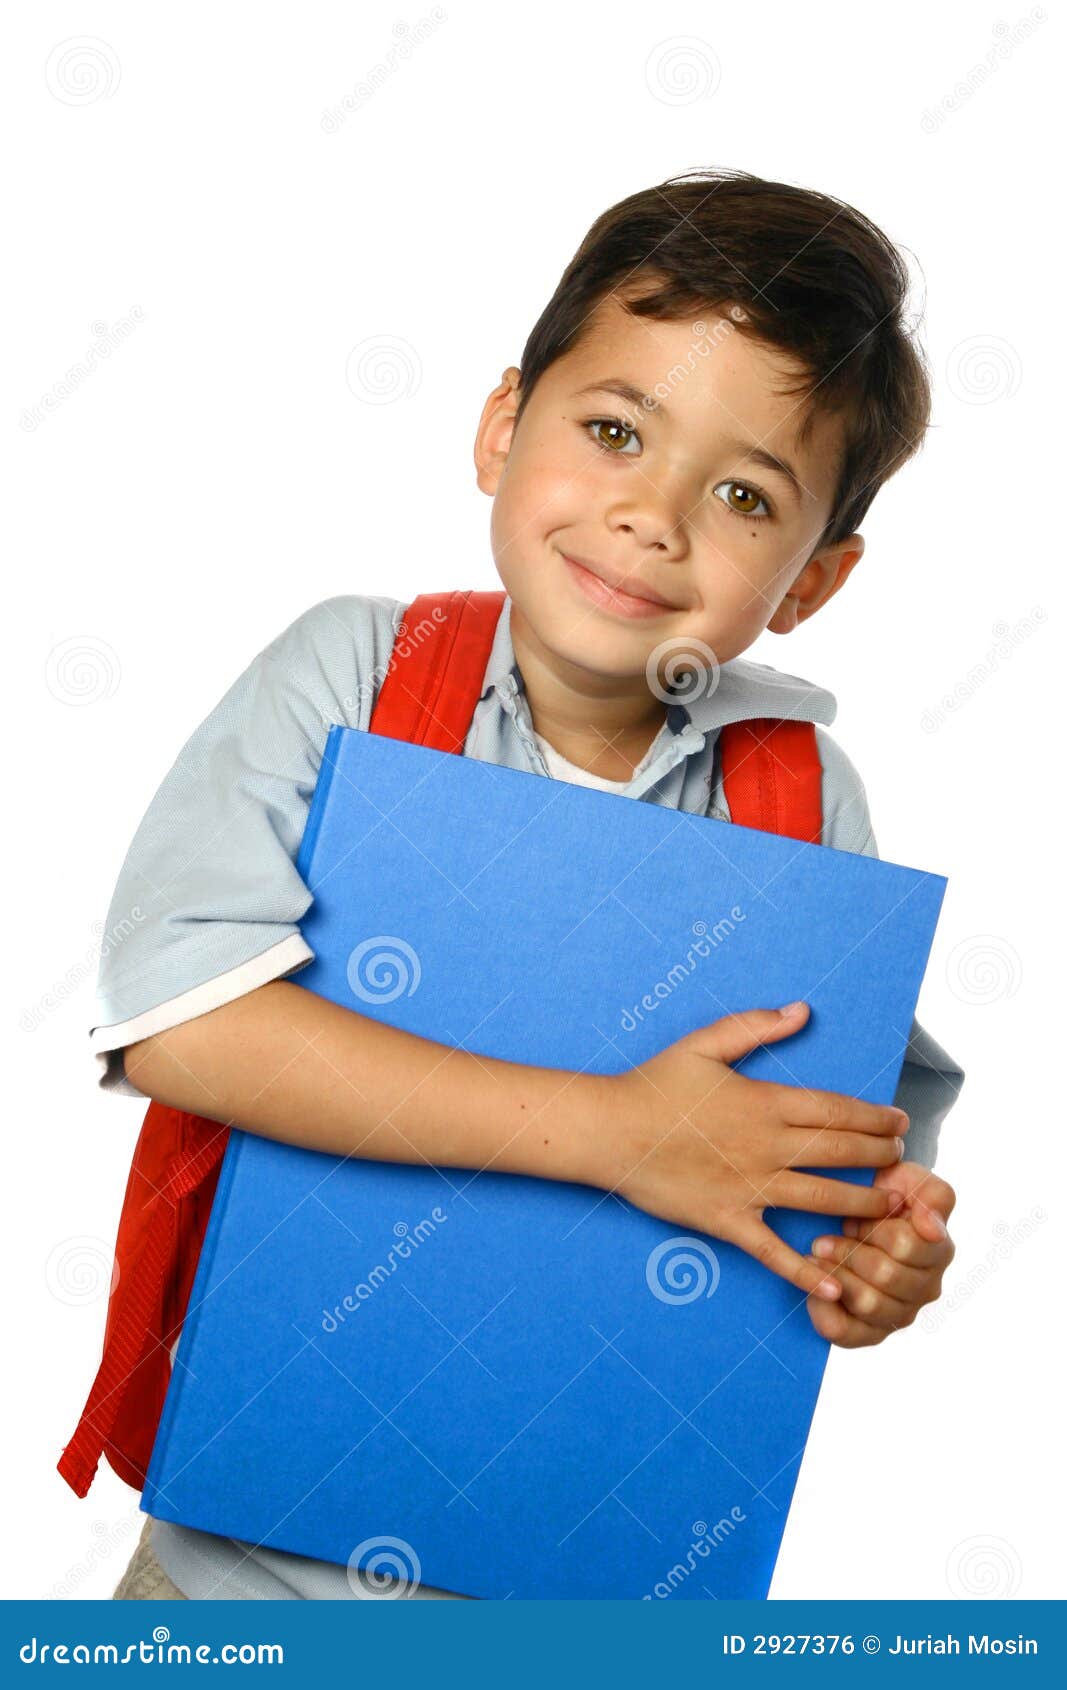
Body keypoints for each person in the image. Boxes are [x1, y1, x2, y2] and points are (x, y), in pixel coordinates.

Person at [94, 167, 963, 1599]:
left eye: (745, 494)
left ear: (813, 580)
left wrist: (874, 1262)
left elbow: (841, 1158)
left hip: (591, 1590)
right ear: (503, 426)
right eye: (614, 430)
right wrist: (622, 1132)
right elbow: (182, 1018)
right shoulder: (355, 679)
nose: (652, 517)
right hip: (237, 1571)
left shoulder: (804, 800)